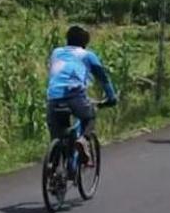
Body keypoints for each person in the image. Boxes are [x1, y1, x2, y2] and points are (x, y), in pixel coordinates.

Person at [46, 25, 118, 166]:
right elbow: (103, 78)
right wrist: (112, 98)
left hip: (53, 97)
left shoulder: (56, 52)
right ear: (85, 42)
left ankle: (54, 175)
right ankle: (83, 140)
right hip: (74, 95)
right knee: (89, 115)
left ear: (67, 39)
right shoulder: (88, 55)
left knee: (57, 136)